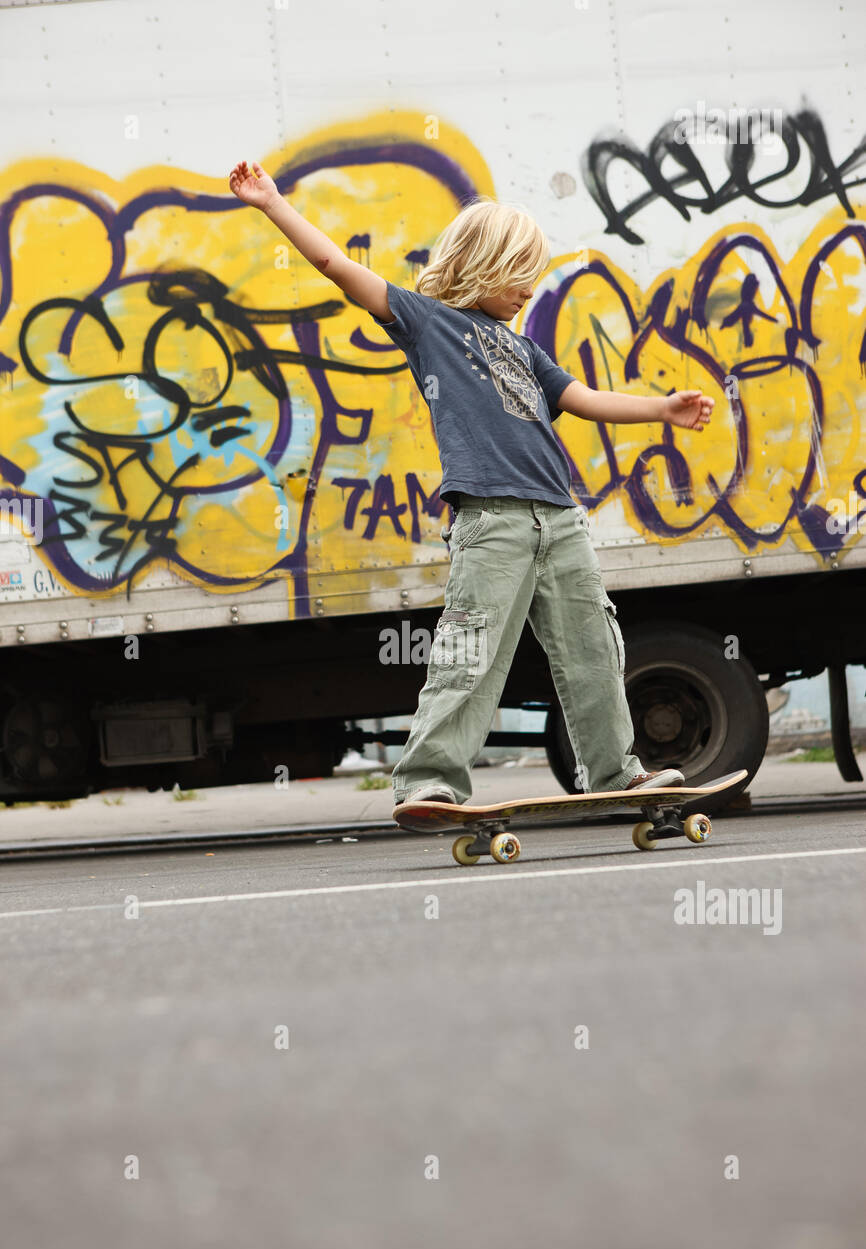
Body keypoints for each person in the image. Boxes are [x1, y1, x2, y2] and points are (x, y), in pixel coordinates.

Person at [229, 160, 714, 805]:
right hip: (492, 523)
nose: (527, 292)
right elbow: (337, 269)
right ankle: (430, 782)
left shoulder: (521, 347)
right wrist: (272, 204)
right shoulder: (426, 323)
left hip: (560, 521)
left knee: (595, 651)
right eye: (518, 278)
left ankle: (616, 774)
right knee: (469, 656)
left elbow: (585, 397)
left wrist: (660, 409)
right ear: (482, 265)